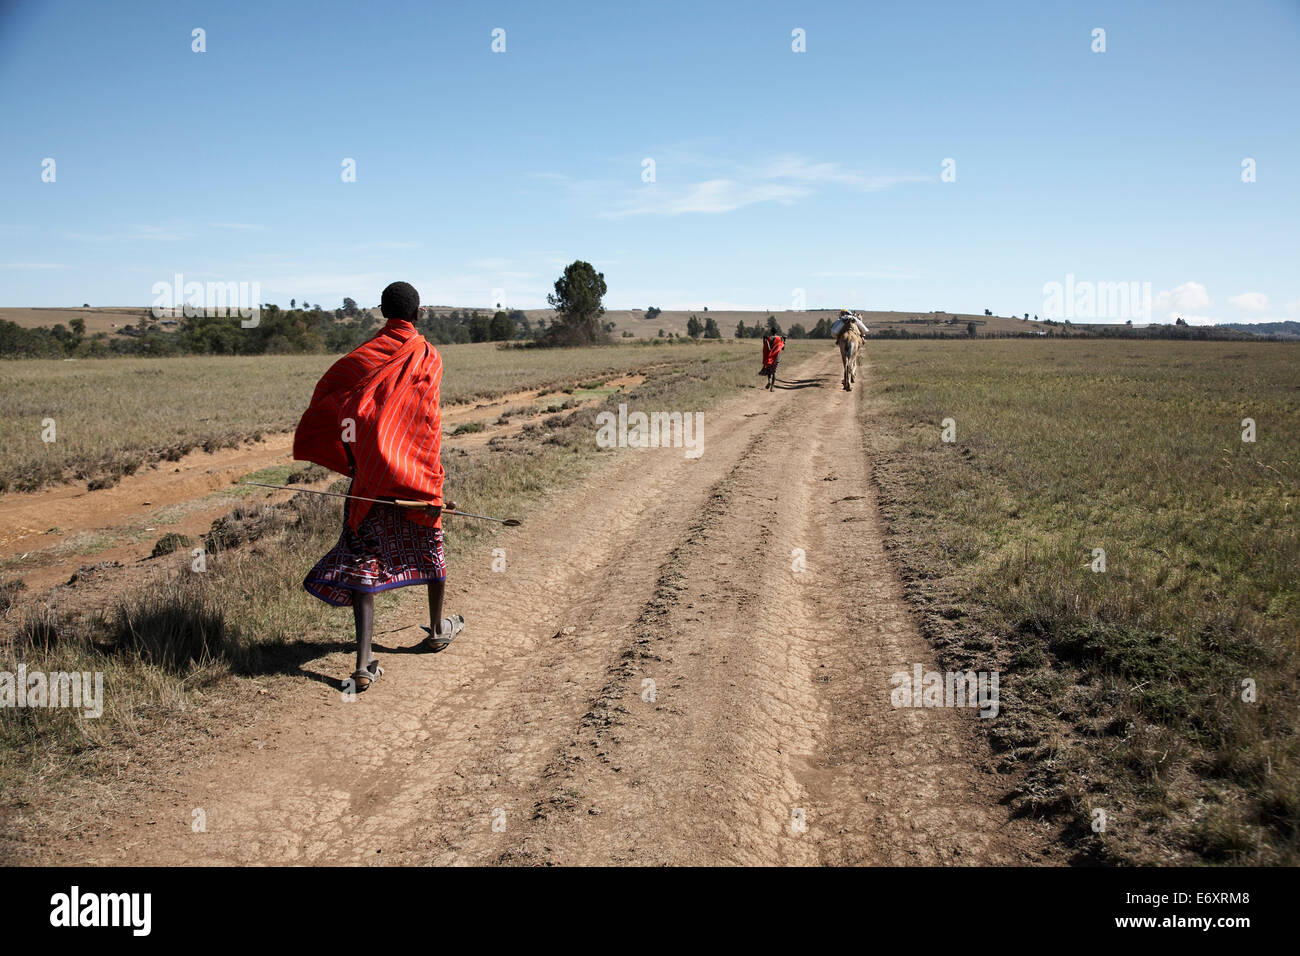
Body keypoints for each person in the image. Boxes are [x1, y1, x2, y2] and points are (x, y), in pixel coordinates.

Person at [292, 281, 464, 692]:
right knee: (430, 543)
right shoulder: (428, 356)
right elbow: (424, 421)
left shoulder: (361, 357)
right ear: (418, 313)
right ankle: (438, 628)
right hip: (418, 475)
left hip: (371, 477)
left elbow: (336, 398)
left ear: (382, 312)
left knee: (365, 559)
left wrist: (357, 456)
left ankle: (364, 662)